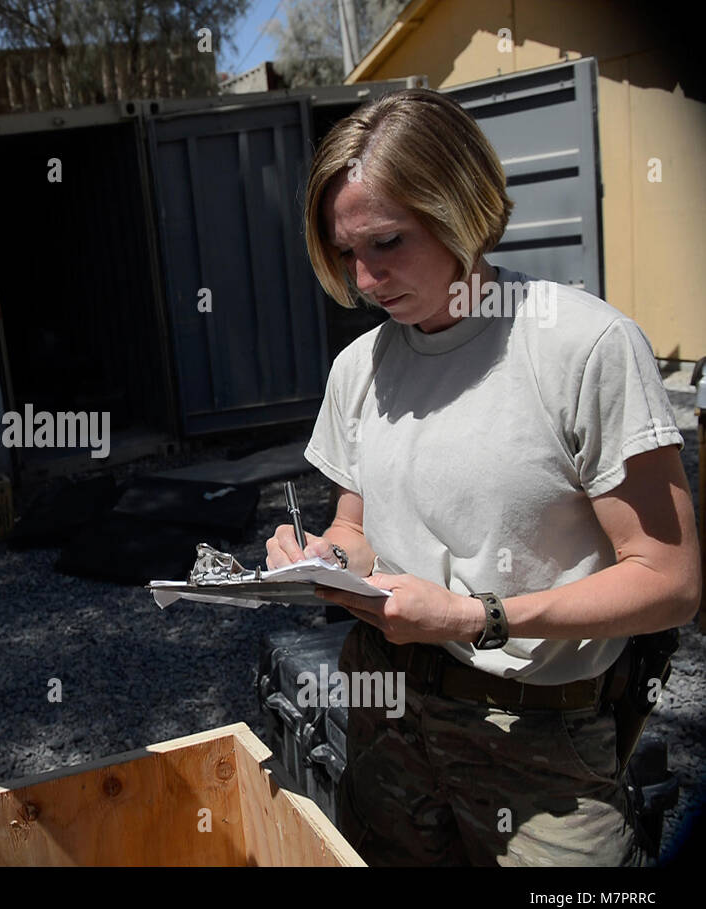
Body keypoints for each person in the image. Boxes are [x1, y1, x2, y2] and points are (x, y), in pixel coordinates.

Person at [264, 88, 700, 866]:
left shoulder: (582, 346)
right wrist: (324, 561)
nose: (365, 280)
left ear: (463, 210)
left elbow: (668, 582)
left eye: (388, 243)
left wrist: (476, 618)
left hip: (538, 745)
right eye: (345, 253)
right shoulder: (360, 367)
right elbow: (357, 531)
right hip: (386, 715)